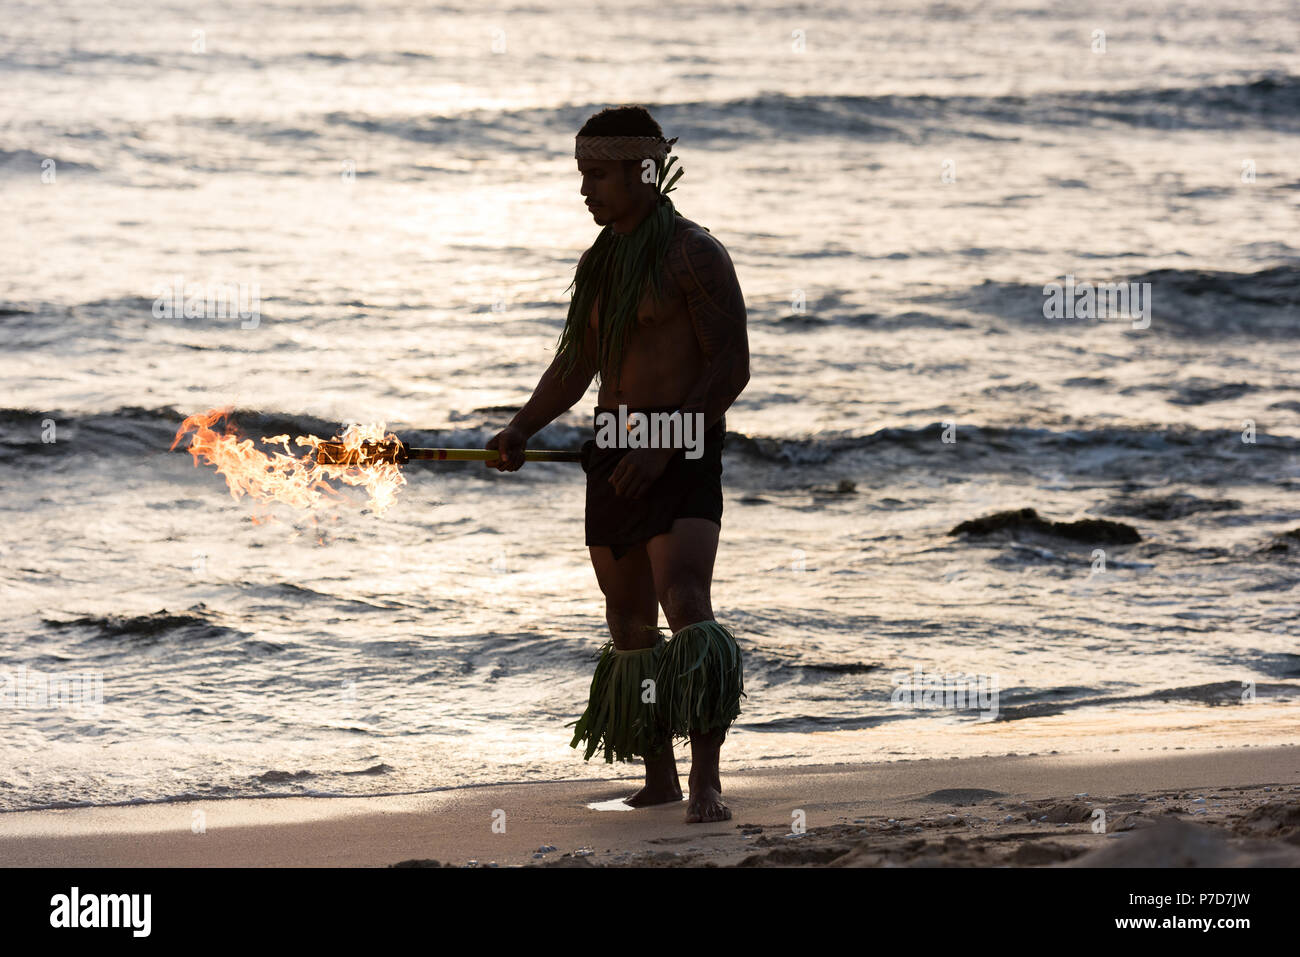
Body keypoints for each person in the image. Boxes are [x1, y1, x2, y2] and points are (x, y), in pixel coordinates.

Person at [485, 105, 750, 823]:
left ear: (642, 169)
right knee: (629, 624)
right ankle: (659, 776)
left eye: (597, 174)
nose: (585, 190)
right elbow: (577, 364)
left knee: (686, 603)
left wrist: (667, 441)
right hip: (613, 448)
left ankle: (706, 781)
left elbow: (731, 366)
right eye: (581, 174)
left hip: (683, 444)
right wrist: (519, 426)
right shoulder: (599, 265)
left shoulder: (696, 254)